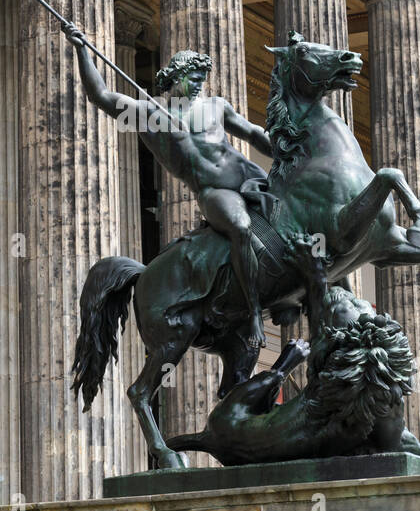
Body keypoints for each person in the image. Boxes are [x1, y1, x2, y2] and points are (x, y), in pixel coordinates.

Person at [66, 26, 274, 348]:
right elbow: (102, 97)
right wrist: (81, 49)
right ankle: (255, 312)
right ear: (176, 77)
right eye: (192, 78)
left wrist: (283, 148)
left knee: (302, 219)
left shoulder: (216, 107)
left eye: (202, 80)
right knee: (240, 227)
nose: (197, 86)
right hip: (216, 192)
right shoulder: (152, 114)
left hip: (250, 177)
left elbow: (253, 133)